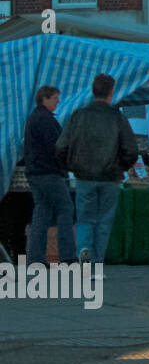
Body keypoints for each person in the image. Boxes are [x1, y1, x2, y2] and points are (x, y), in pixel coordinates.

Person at [55, 74, 139, 265]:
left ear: (92, 92)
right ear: (111, 93)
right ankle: (96, 264)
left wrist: (72, 166)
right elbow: (131, 150)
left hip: (84, 176)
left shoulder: (78, 116)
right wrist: (120, 167)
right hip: (111, 177)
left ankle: (84, 256)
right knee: (104, 222)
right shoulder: (118, 117)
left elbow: (61, 147)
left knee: (85, 219)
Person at [23, 85, 76, 264]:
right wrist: (66, 166)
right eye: (55, 98)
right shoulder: (46, 120)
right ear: (44, 99)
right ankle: (67, 256)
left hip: (34, 173)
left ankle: (35, 258)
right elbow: (56, 147)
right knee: (65, 208)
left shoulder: (33, 118)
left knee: (42, 212)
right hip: (49, 172)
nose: (58, 101)